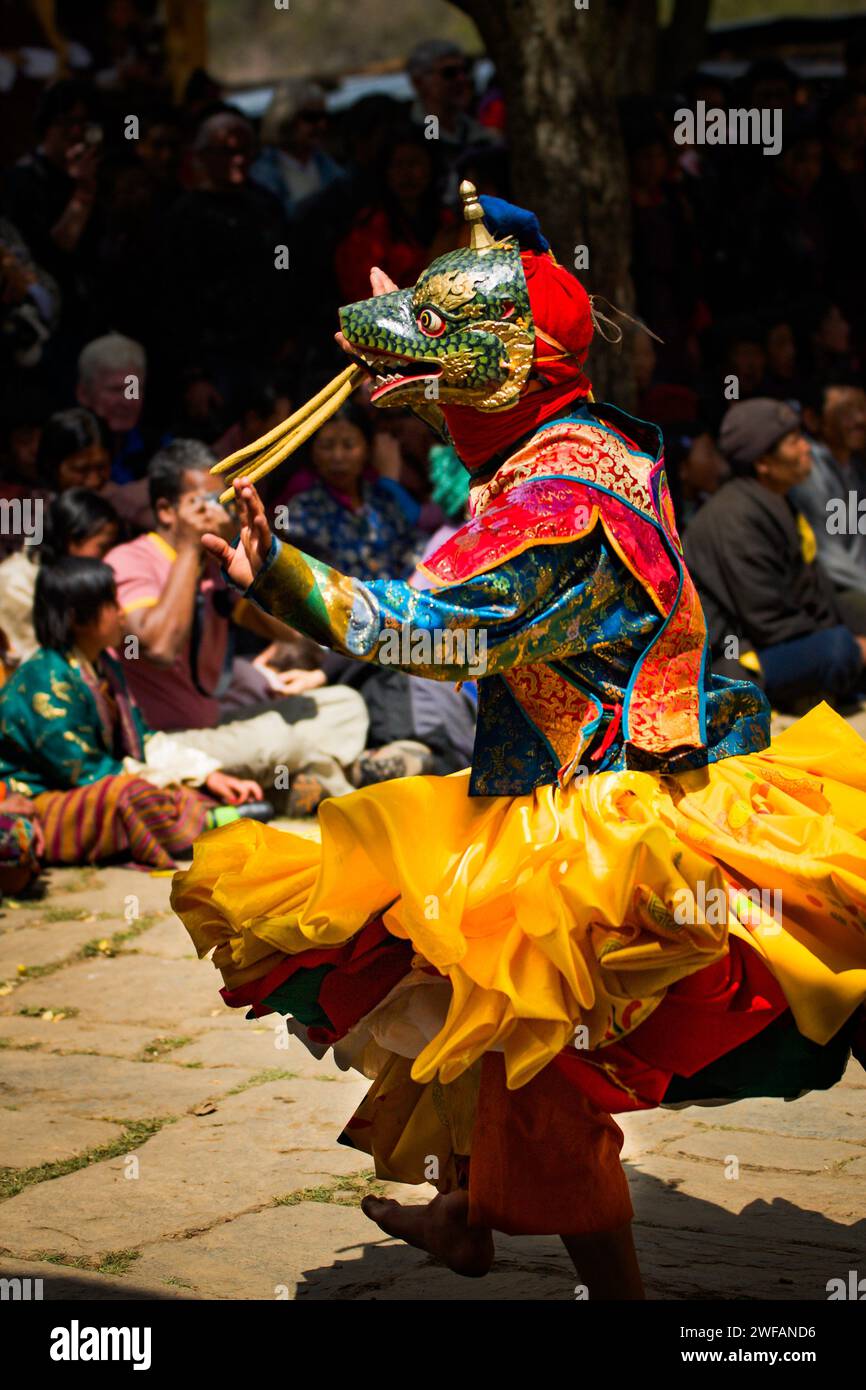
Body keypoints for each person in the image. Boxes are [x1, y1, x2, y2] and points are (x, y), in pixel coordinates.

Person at [172, 193, 866, 1297]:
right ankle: (463, 1212)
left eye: (442, 339)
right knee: (452, 984)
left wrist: (282, 576)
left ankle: (614, 1295)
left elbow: (430, 633)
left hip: (607, 811)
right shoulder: (592, 439)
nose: (417, 362)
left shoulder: (552, 498)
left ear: (514, 363)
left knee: (526, 1044)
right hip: (580, 778)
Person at [107, 440, 368, 813]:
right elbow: (160, 648)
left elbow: (296, 636)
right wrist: (188, 549)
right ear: (166, 511)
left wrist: (254, 571)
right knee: (279, 736)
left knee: (344, 706)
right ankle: (311, 779)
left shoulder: (214, 566)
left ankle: (292, 782)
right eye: (203, 503)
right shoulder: (130, 560)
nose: (216, 514)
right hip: (164, 740)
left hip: (216, 727)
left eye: (221, 503)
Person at [0, 558, 259, 871]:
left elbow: (143, 739)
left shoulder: (105, 667)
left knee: (150, 786)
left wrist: (207, 774)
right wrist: (170, 783)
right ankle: (203, 823)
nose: (121, 611)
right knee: (128, 794)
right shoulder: (46, 679)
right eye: (110, 602)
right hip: (37, 801)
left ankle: (203, 820)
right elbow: (86, 773)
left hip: (96, 785)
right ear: (77, 619)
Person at [684, 398, 866, 708]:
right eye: (794, 442)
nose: (806, 448)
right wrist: (852, 645)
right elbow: (768, 620)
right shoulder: (735, 516)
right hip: (737, 660)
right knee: (838, 650)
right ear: (763, 463)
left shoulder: (777, 500)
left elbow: (815, 590)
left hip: (777, 638)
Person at [275, 402, 425, 580]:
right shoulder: (301, 511)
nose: (338, 457)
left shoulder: (384, 501)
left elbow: (414, 547)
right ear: (312, 453)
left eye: (349, 445)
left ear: (368, 450)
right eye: (327, 446)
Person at [0, 486, 119, 666]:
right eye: (102, 547)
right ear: (72, 541)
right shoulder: (17, 581)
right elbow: (28, 658)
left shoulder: (90, 579)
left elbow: (126, 641)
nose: (109, 556)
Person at [791, 380, 866, 631]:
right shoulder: (808, 470)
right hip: (832, 590)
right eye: (846, 411)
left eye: (863, 408)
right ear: (812, 419)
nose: (860, 419)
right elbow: (828, 558)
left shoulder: (853, 467)